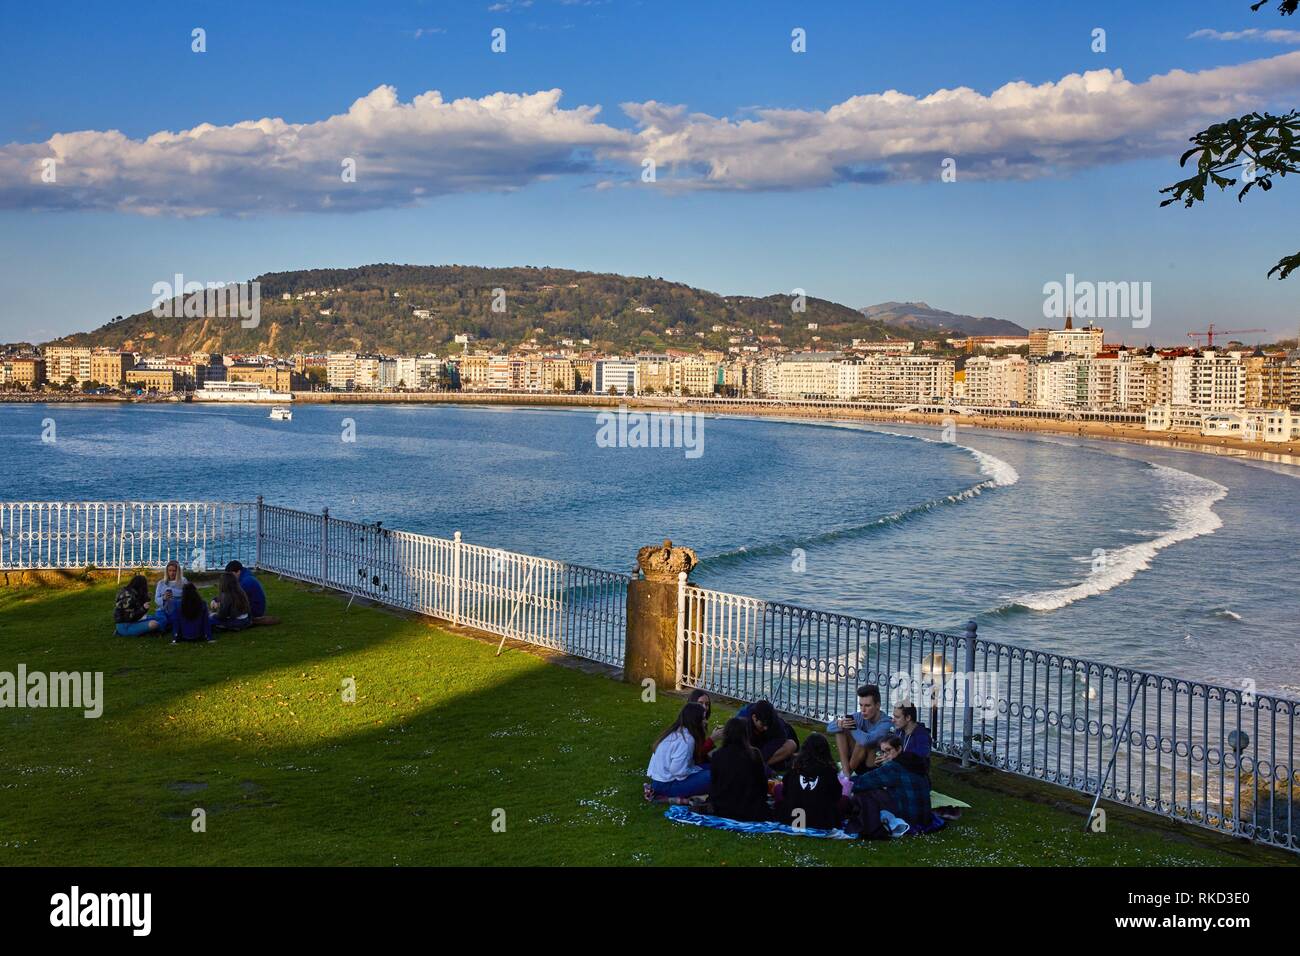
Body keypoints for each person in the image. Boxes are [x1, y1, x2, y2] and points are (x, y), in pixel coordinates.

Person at [847, 734, 932, 839]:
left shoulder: (893, 767)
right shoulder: (913, 761)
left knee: (865, 795)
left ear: (899, 749)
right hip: (924, 817)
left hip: (907, 818)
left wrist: (845, 782)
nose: (885, 755)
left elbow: (862, 783)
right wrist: (881, 766)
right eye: (882, 751)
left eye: (888, 750)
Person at [776, 732, 846, 831]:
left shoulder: (795, 768)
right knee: (845, 800)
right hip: (821, 820)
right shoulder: (829, 771)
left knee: (778, 789)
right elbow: (836, 796)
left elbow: (785, 792)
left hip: (792, 818)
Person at [645, 703, 711, 802]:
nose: (706, 722)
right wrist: (696, 771)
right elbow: (677, 771)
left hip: (660, 780)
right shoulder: (687, 740)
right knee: (713, 776)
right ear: (695, 721)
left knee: (717, 768)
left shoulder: (675, 731)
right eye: (703, 719)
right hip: (667, 785)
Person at [707, 718, 770, 822]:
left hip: (722, 808)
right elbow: (762, 785)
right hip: (749, 809)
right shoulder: (754, 754)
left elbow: (714, 784)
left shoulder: (717, 755)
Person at [827, 684, 893, 776]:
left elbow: (866, 740)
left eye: (867, 706)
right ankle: (845, 774)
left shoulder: (886, 723)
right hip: (856, 762)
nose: (863, 710)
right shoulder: (859, 716)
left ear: (877, 705)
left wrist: (852, 727)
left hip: (872, 766)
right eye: (861, 705)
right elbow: (829, 728)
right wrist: (839, 724)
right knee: (840, 730)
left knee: (861, 741)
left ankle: (845, 775)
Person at [736, 699, 799, 773]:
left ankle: (759, 765)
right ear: (754, 717)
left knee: (791, 745)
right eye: (762, 725)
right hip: (752, 746)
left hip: (768, 746)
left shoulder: (774, 721)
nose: (765, 728)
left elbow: (780, 738)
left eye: (767, 725)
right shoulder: (742, 719)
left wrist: (761, 757)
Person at [893, 702, 932, 774]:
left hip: (915, 776)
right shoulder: (899, 731)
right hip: (898, 770)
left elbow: (918, 758)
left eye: (897, 717)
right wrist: (882, 755)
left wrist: (895, 757)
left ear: (908, 717)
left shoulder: (922, 735)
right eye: (894, 716)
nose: (893, 720)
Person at [154, 560, 188, 627]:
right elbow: (156, 599)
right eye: (169, 570)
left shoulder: (183, 581)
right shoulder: (161, 583)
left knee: (178, 619)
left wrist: (174, 594)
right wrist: (163, 598)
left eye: (174, 571)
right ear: (167, 571)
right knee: (163, 620)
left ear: (178, 571)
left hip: (178, 609)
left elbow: (188, 596)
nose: (172, 573)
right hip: (163, 610)